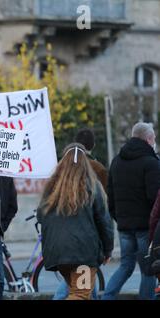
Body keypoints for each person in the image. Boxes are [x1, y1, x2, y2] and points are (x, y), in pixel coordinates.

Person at [37, 143, 114, 300]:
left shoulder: (52, 188)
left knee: (79, 291)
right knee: (81, 294)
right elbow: (104, 222)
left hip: (58, 254)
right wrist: (108, 250)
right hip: (83, 255)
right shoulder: (92, 186)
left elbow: (40, 216)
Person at [102, 122, 160, 300]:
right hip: (145, 227)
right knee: (148, 270)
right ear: (149, 139)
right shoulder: (151, 163)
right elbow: (155, 198)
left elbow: (110, 194)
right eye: (155, 138)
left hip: (124, 226)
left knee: (125, 266)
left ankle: (107, 297)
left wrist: (119, 218)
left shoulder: (117, 161)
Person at [53, 128, 108, 300]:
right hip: (84, 247)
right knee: (80, 293)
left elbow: (43, 215)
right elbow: (103, 216)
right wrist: (108, 248)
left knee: (82, 287)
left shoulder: (57, 179)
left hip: (61, 248)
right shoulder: (96, 172)